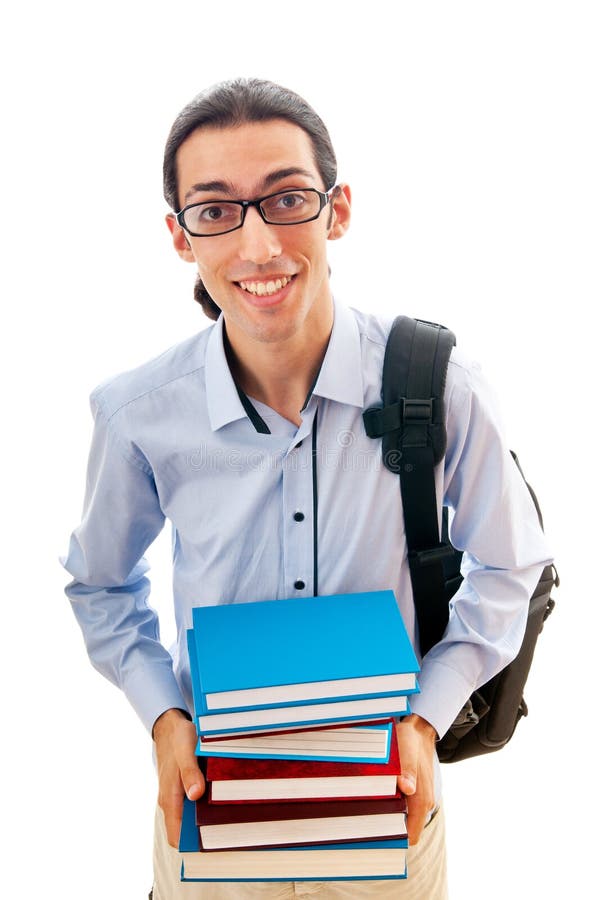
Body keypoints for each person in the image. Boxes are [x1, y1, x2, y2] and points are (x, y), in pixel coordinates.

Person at [62, 77, 552, 899]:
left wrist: (426, 718)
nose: (257, 247)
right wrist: (164, 719)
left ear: (338, 210)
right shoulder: (137, 414)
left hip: (390, 799)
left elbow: (513, 566)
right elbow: (99, 585)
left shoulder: (441, 386)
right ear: (181, 236)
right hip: (211, 805)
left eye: (287, 199)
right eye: (216, 210)